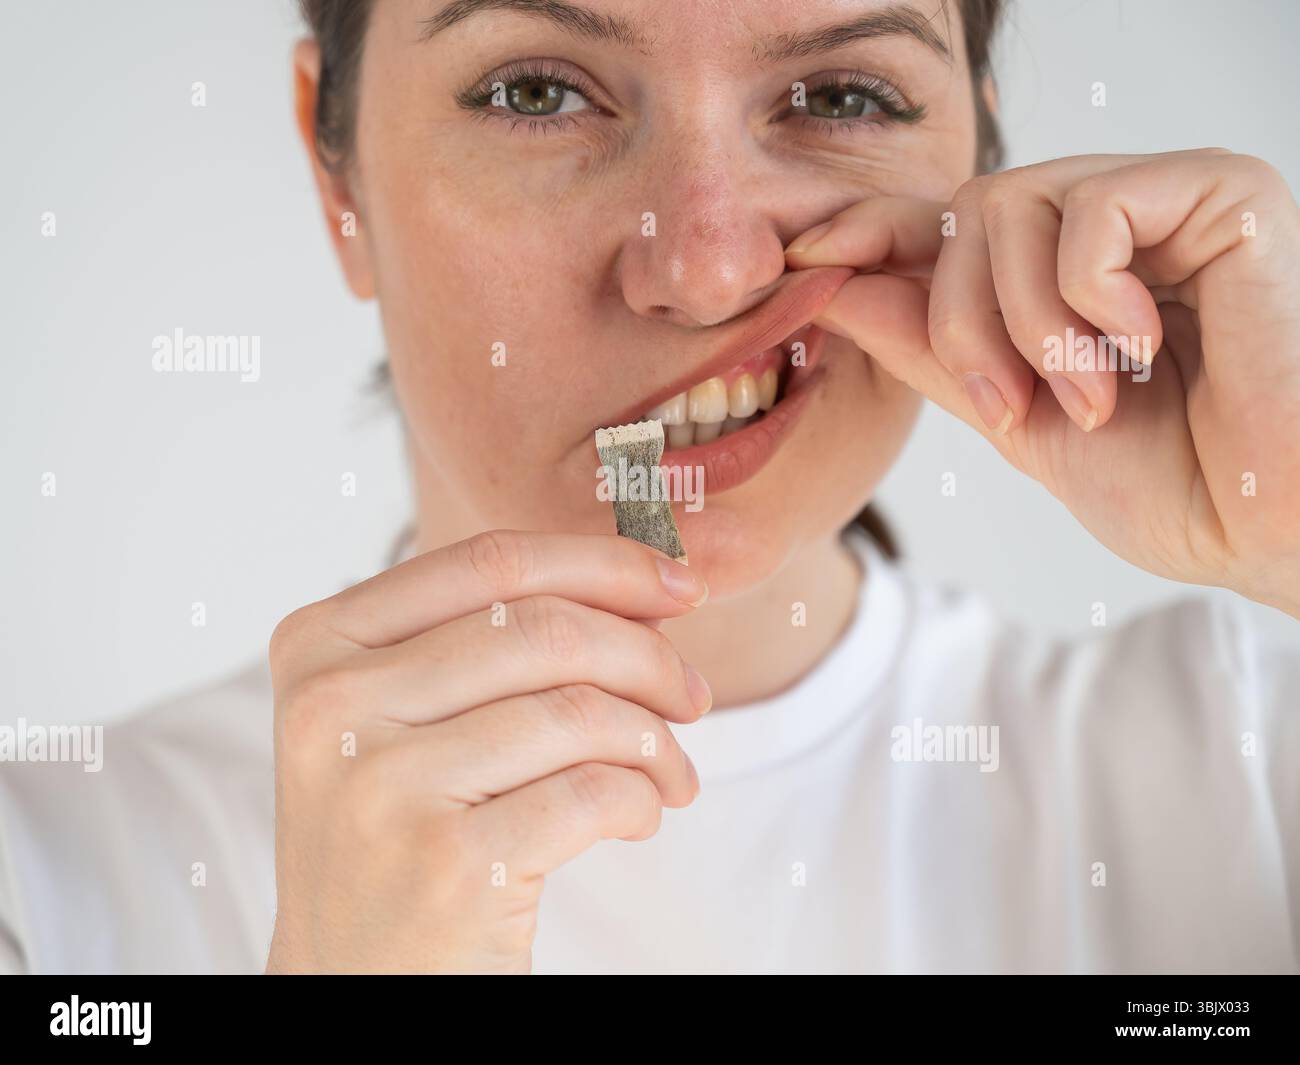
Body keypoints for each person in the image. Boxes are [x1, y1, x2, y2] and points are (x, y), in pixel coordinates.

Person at [2, 0, 1298, 975]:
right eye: (535, 93)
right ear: (334, 178)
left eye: (842, 95)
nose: (709, 268)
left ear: (981, 152)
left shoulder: (1250, 763)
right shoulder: (46, 890)